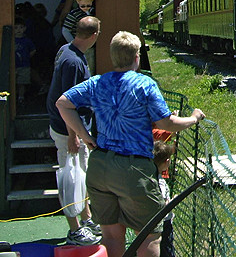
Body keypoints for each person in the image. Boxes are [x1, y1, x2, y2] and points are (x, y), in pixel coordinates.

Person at [56, 31, 205, 257]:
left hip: (100, 166)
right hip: (134, 170)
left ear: (113, 57)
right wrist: (193, 118)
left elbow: (63, 103)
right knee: (148, 237)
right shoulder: (144, 84)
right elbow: (167, 122)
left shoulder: (97, 82)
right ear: (137, 57)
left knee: (111, 236)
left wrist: (85, 136)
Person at [46, 16, 102, 246]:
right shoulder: (73, 62)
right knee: (70, 179)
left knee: (82, 174)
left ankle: (87, 219)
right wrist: (73, 137)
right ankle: (75, 230)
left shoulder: (66, 50)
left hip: (74, 130)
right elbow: (66, 101)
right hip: (68, 131)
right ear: (94, 36)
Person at [62, 0, 97, 74]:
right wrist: (74, 44)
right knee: (81, 69)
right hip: (79, 46)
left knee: (90, 70)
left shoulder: (94, 12)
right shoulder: (74, 14)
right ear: (77, 1)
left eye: (88, 5)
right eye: (83, 5)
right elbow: (65, 30)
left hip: (91, 47)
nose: (86, 7)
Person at [152, 141, 175, 257]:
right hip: (163, 224)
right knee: (167, 250)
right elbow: (162, 205)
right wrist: (173, 202)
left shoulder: (150, 178)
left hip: (150, 223)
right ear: (167, 162)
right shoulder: (160, 183)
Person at [14, 16, 36, 104]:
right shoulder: (11, 40)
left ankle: (21, 97)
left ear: (25, 28)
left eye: (21, 27)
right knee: (13, 82)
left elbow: (33, 50)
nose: (19, 30)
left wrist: (27, 57)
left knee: (22, 82)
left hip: (24, 65)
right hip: (13, 65)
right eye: (16, 28)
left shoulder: (27, 40)